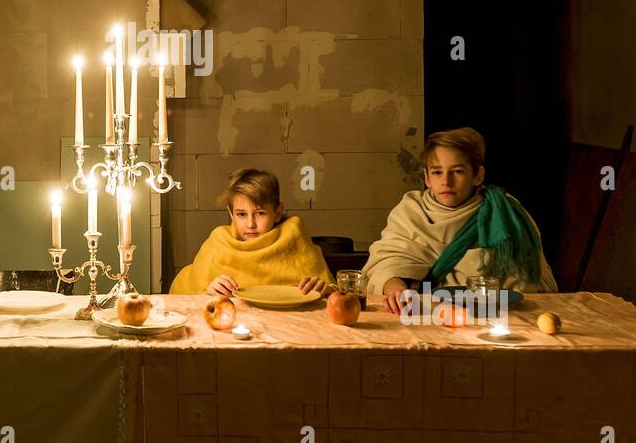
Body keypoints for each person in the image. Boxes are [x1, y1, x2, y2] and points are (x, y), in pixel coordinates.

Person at [362, 127, 557, 314]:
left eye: (457, 171)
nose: (446, 181)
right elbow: (386, 263)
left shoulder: (504, 212)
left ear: (478, 175)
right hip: (421, 312)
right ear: (427, 178)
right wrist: (396, 289)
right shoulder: (411, 210)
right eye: (437, 172)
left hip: (492, 314)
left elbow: (524, 280)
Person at [169, 168, 336, 296]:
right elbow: (184, 294)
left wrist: (323, 289)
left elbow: (332, 290)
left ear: (277, 212)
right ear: (231, 213)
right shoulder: (219, 242)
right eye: (241, 214)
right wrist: (210, 292)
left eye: (260, 213)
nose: (250, 224)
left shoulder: (294, 236)